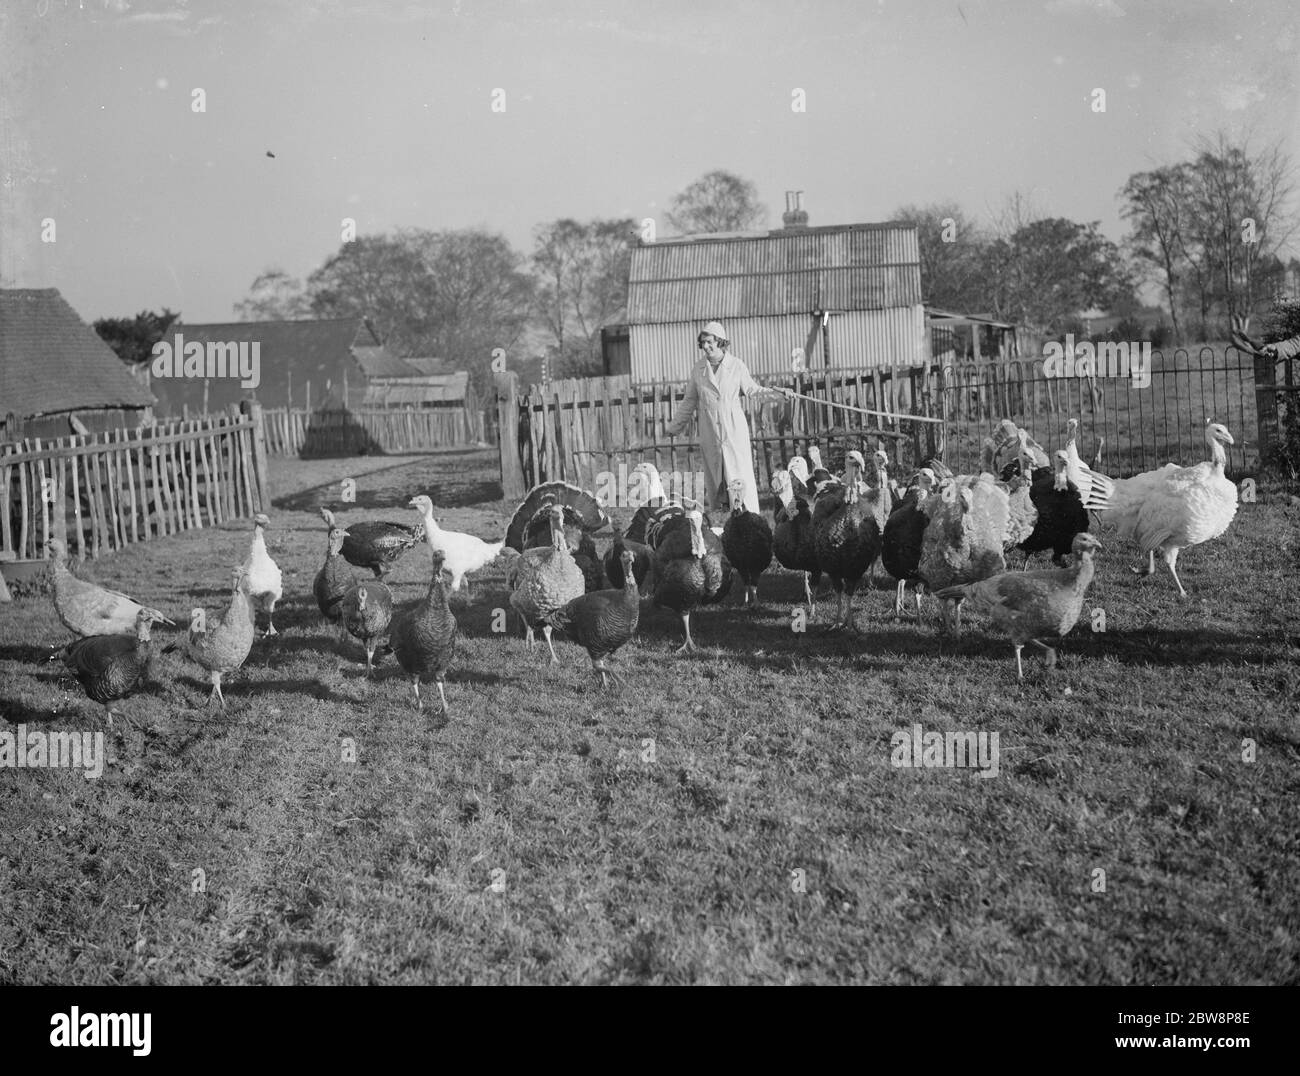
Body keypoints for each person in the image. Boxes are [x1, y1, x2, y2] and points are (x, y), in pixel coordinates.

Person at [665, 321, 795, 514]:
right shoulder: (698, 369)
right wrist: (674, 427)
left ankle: (751, 518)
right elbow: (689, 401)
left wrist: (779, 394)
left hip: (734, 432)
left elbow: (753, 391)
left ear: (720, 342)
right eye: (703, 343)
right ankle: (723, 523)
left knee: (740, 476)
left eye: (710, 342)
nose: (706, 347)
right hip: (711, 433)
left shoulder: (736, 365)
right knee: (717, 480)